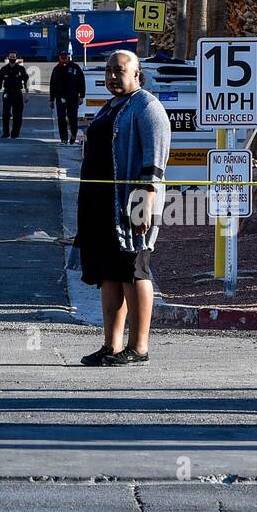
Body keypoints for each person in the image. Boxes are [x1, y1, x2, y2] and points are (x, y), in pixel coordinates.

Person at [69, 50, 170, 366]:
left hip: (130, 204)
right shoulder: (110, 107)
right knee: (109, 274)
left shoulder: (147, 107)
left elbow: (156, 158)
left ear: (137, 73)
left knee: (133, 270)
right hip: (101, 206)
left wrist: (144, 200)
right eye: (109, 70)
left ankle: (139, 347)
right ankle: (111, 345)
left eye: (120, 70)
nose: (113, 76)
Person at [48, 48, 85, 145]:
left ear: (68, 57)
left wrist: (82, 96)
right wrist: (51, 99)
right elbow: (52, 85)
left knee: (73, 118)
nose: (64, 59)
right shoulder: (56, 69)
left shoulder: (75, 68)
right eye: (62, 57)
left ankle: (73, 134)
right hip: (60, 97)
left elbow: (82, 82)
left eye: (66, 57)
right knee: (61, 119)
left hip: (73, 97)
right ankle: (63, 139)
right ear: (60, 58)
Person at [0, 51, 30, 138]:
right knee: (6, 114)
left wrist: (27, 93)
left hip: (18, 92)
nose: (12, 59)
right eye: (11, 57)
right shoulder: (4, 69)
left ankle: (15, 133)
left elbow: (26, 81)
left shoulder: (21, 69)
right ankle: (6, 133)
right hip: (7, 93)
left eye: (14, 57)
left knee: (17, 114)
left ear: (16, 58)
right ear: (8, 58)